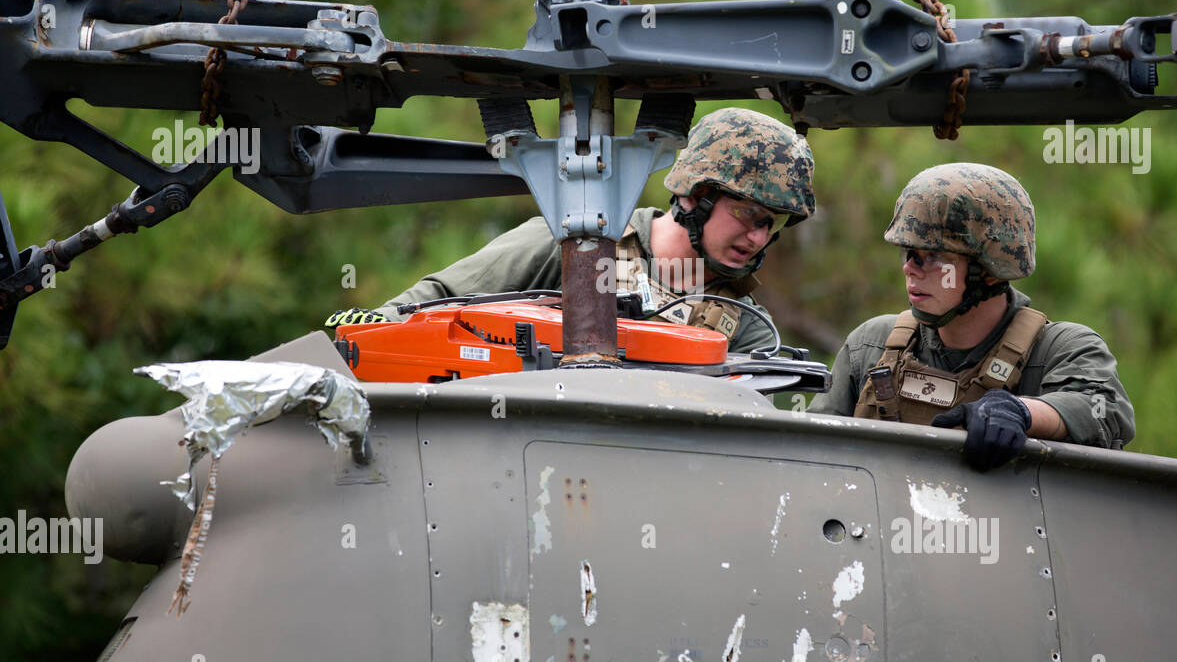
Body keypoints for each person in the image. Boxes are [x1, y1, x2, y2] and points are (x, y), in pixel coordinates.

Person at [330, 108, 816, 353]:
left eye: (768, 224)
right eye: (748, 216)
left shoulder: (747, 327)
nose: (757, 238)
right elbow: (434, 300)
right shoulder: (574, 241)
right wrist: (363, 337)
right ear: (695, 196)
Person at [811, 162, 1134, 470]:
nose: (910, 268)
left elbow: (1106, 410)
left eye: (933, 256)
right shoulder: (872, 344)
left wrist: (1021, 412)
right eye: (909, 253)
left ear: (989, 271)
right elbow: (813, 450)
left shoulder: (1060, 348)